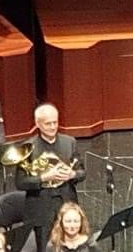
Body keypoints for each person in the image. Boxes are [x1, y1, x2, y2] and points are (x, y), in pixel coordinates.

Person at [13, 102, 82, 239]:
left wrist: (72, 174)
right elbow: (20, 183)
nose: (53, 127)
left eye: (55, 122)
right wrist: (44, 177)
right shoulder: (27, 148)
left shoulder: (70, 142)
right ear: (37, 124)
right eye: (48, 124)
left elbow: (82, 172)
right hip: (41, 208)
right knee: (45, 249)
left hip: (67, 202)